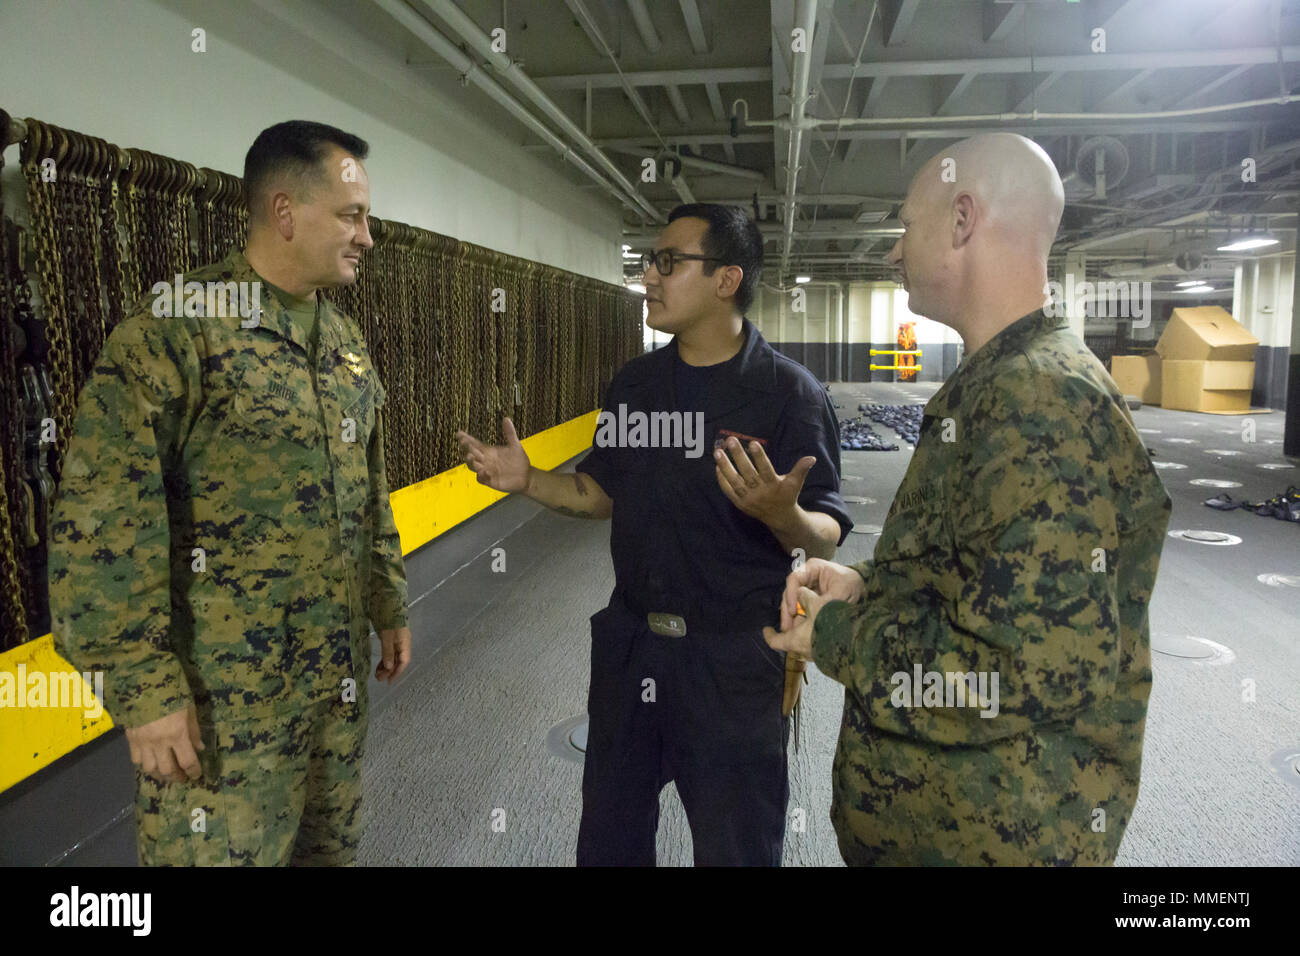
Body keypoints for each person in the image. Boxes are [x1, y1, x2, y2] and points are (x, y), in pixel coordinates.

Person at [765, 133, 1172, 865]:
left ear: (961, 221)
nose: (894, 253)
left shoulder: (1037, 401)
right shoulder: (1001, 386)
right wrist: (869, 586)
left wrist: (833, 636)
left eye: (905, 227)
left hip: (996, 839)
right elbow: (982, 581)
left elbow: (1017, 673)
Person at [48, 120, 411, 866]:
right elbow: (101, 523)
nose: (367, 237)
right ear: (284, 212)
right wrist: (144, 693)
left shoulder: (343, 341)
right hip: (225, 710)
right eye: (352, 216)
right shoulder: (179, 331)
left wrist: (387, 599)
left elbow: (369, 487)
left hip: (332, 694)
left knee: (328, 853)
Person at [456, 204, 851, 865]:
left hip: (734, 665)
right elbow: (598, 493)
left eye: (669, 262)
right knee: (609, 844)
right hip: (633, 653)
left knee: (738, 848)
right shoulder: (635, 386)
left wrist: (783, 514)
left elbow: (827, 537)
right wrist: (530, 480)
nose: (649, 276)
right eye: (650, 262)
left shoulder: (789, 394)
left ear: (727, 279)